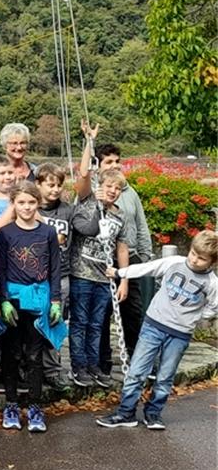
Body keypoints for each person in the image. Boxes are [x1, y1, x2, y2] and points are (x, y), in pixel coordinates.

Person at [96, 232, 218, 429]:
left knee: (165, 376)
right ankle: (126, 412)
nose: (194, 260)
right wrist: (120, 273)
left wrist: (195, 317)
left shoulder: (212, 283)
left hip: (180, 334)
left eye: (202, 258)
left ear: (212, 262)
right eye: (193, 253)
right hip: (154, 325)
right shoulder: (174, 263)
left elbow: (213, 307)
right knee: (137, 371)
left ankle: (153, 413)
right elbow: (147, 268)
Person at [0, 181, 64, 432]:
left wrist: (55, 300)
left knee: (35, 355)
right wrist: (3, 299)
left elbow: (55, 268)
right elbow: (0, 268)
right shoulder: (5, 233)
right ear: (13, 204)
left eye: (31, 202)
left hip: (39, 298)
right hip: (13, 299)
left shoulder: (47, 233)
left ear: (38, 203)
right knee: (12, 353)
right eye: (21, 202)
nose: (26, 207)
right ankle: (11, 404)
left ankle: (35, 405)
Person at [87, 141, 152, 373]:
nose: (114, 165)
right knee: (102, 313)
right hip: (102, 260)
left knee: (132, 312)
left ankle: (138, 359)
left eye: (117, 161)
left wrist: (145, 256)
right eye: (108, 162)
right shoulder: (91, 193)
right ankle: (102, 361)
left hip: (129, 257)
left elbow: (140, 225)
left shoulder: (129, 192)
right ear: (98, 165)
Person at [68, 167, 129, 388]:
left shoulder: (120, 215)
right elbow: (83, 176)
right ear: (99, 186)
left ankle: (94, 365)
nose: (113, 191)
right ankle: (79, 365)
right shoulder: (85, 203)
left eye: (117, 188)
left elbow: (122, 248)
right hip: (82, 274)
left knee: (96, 325)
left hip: (105, 278)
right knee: (80, 322)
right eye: (109, 186)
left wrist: (124, 279)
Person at [35, 162, 74, 391]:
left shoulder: (67, 210)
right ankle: (30, 367)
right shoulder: (31, 208)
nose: (55, 189)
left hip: (61, 274)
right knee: (32, 322)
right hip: (35, 275)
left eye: (59, 185)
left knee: (55, 321)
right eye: (50, 185)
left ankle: (52, 369)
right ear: (38, 184)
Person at [0, 122, 36, 188]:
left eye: (23, 143)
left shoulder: (36, 171)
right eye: (14, 143)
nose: (19, 147)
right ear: (4, 145)